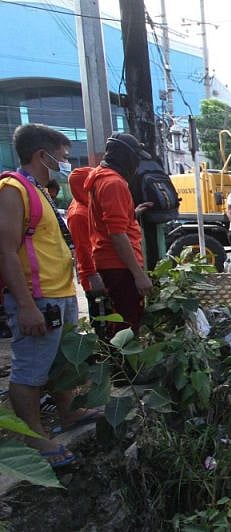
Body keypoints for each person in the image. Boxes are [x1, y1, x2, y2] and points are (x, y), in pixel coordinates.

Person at [0, 124, 99, 467]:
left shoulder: (39, 190)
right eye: (62, 155)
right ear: (42, 154)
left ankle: (69, 412)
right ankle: (34, 436)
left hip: (59, 293)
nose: (65, 161)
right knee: (30, 369)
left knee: (60, 362)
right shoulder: (13, 189)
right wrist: (26, 306)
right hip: (38, 297)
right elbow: (7, 250)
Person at [85, 132, 152, 334]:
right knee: (127, 323)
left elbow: (111, 221)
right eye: (136, 159)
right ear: (125, 156)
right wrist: (138, 274)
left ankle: (120, 363)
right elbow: (117, 234)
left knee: (122, 318)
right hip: (119, 264)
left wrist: (132, 213)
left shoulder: (99, 177)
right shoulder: (113, 183)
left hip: (112, 262)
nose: (137, 165)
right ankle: (124, 365)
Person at [67, 167, 106, 322]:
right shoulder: (78, 214)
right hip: (94, 278)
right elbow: (83, 248)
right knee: (103, 321)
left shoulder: (88, 206)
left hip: (100, 273)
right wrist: (93, 276)